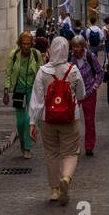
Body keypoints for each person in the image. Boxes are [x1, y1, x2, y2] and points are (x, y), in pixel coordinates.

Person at [29, 37, 85, 204]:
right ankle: (66, 178)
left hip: (48, 118)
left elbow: (37, 99)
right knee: (71, 152)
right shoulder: (73, 70)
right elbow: (81, 94)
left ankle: (54, 190)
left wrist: (32, 122)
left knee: (51, 153)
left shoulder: (43, 71)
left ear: (51, 49)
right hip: (70, 118)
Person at [3, 31, 43, 157]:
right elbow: (8, 73)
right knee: (20, 121)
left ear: (31, 44)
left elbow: (41, 73)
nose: (26, 46)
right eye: (23, 44)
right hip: (19, 90)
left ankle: (27, 148)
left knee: (28, 119)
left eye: (28, 44)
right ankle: (21, 139)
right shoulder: (14, 55)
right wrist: (6, 90)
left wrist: (42, 91)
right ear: (20, 44)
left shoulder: (36, 55)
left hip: (32, 89)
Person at [69, 34, 104, 155]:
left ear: (83, 46)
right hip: (74, 93)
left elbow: (100, 72)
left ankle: (89, 146)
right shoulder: (71, 58)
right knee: (73, 120)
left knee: (89, 121)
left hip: (89, 93)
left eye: (77, 46)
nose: (75, 49)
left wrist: (95, 86)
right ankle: (73, 146)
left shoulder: (90, 57)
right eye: (73, 46)